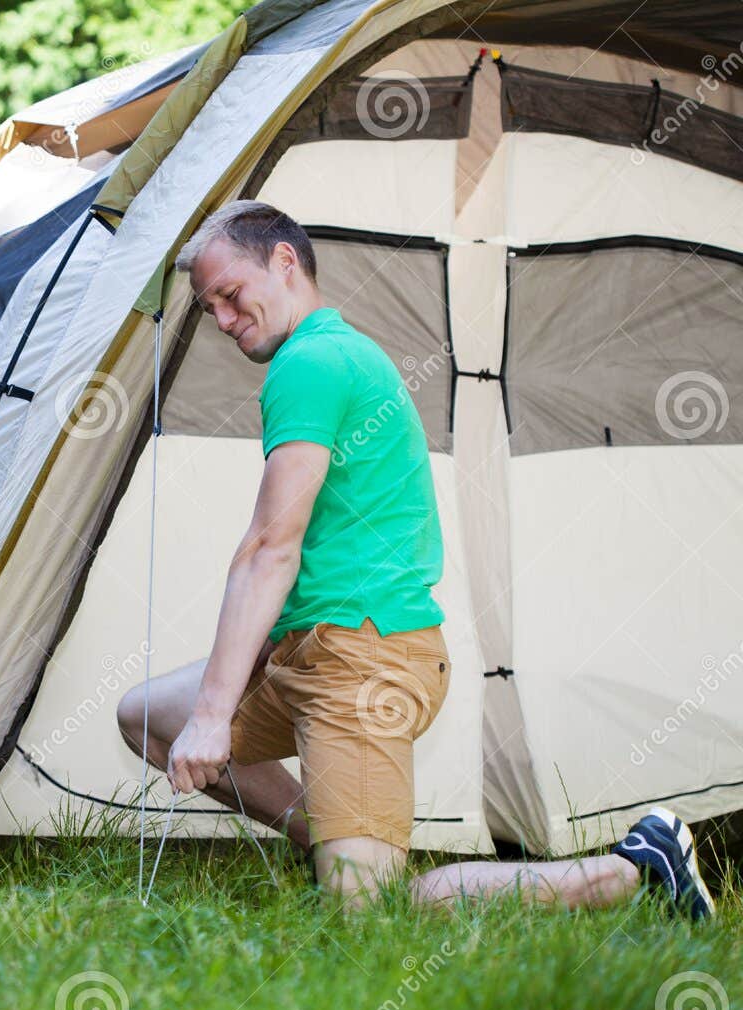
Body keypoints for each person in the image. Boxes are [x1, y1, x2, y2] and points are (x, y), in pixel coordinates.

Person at [117, 201, 713, 919]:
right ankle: (337, 842)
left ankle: (634, 869)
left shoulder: (312, 361)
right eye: (209, 305)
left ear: (283, 261)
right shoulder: (329, 356)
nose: (222, 318)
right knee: (147, 715)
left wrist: (216, 716)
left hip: (364, 662)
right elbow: (314, 549)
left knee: (371, 917)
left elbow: (269, 547)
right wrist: (217, 698)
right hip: (308, 654)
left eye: (231, 295)